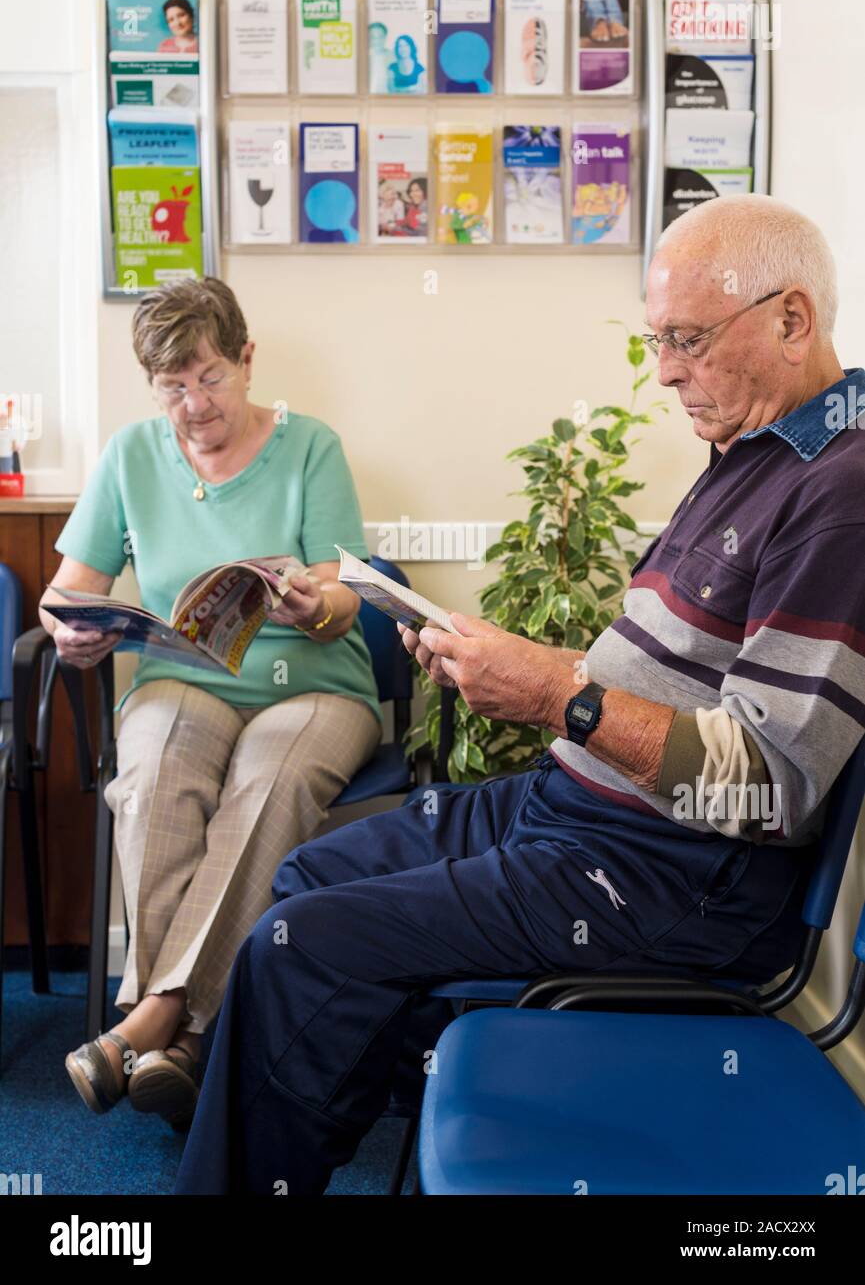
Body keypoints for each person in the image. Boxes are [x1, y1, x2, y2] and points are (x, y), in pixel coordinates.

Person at [175, 195, 865, 1195]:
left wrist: (557, 697)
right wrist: (521, 665)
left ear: (792, 319)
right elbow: (655, 671)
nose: (665, 368)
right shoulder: (748, 454)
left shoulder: (837, 497)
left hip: (671, 876)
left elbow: (767, 788)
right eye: (655, 339)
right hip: (575, 807)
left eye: (686, 339)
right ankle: (330, 1144)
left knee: (302, 949)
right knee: (305, 878)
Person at [43, 277, 380, 1128]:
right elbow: (67, 590)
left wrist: (313, 604)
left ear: (246, 359)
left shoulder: (312, 447)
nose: (193, 405)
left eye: (209, 378)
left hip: (311, 683)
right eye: (171, 387)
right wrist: (72, 631)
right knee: (152, 774)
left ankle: (150, 1018)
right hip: (181, 677)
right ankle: (189, 1047)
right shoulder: (129, 456)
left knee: (267, 782)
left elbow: (347, 599)